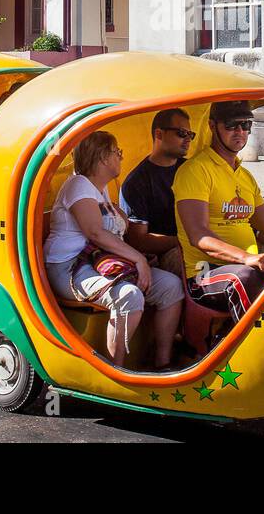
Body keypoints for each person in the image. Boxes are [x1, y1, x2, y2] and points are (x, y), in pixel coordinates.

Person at [43, 131, 184, 368]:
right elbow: (95, 232)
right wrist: (138, 259)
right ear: (102, 157)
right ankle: (115, 372)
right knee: (128, 296)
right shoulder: (79, 185)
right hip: (69, 267)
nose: (120, 157)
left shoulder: (101, 189)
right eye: (116, 152)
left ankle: (162, 364)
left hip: (101, 261)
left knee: (171, 286)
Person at [174, 100, 264, 323]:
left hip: (249, 265)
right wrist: (247, 258)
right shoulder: (195, 171)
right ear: (212, 126)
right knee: (245, 278)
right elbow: (199, 236)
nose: (240, 132)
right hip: (204, 272)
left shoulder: (245, 177)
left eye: (246, 125)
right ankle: (261, 352)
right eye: (231, 125)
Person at [119, 108, 192, 277]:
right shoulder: (136, 183)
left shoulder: (192, 169)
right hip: (168, 253)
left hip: (203, 241)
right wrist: (185, 240)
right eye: (182, 133)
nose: (188, 139)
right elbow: (138, 240)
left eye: (191, 134)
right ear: (159, 134)